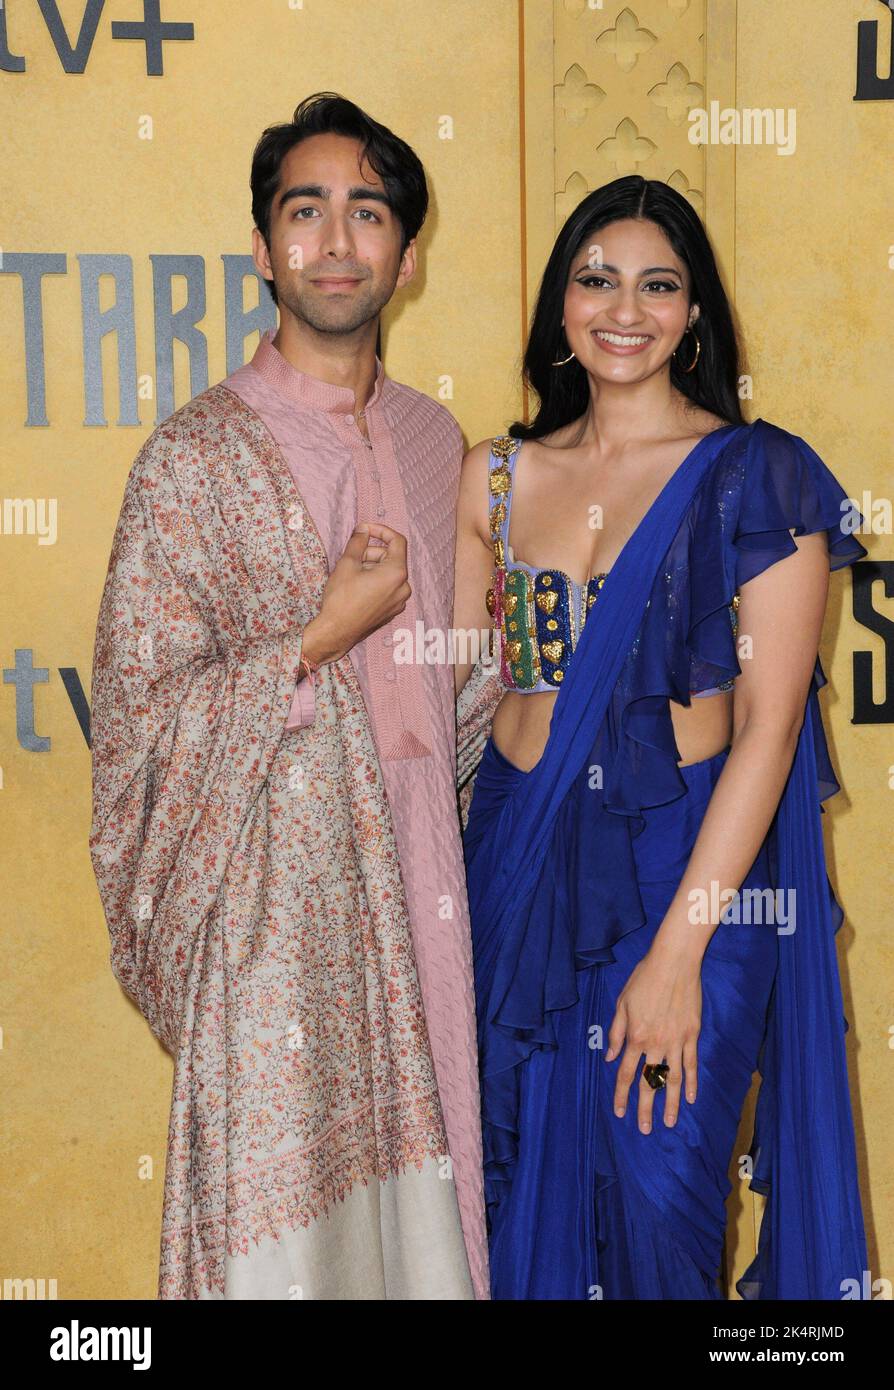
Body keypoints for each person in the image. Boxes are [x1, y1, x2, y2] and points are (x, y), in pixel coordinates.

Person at [88, 92, 488, 1300]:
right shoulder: (192, 459)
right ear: (263, 250)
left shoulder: (436, 444)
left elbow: (453, 695)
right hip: (276, 928)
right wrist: (317, 636)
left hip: (427, 882)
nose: (335, 238)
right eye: (304, 210)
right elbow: (140, 724)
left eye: (367, 213)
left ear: (406, 258)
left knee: (440, 1225)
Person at [453, 174, 869, 1300]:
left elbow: (771, 730)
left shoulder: (757, 473)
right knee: (508, 1189)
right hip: (517, 865)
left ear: (693, 315)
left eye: (657, 283)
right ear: (560, 304)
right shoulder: (492, 477)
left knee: (662, 1196)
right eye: (595, 278)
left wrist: (679, 952)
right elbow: (447, 705)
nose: (622, 307)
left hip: (687, 871)